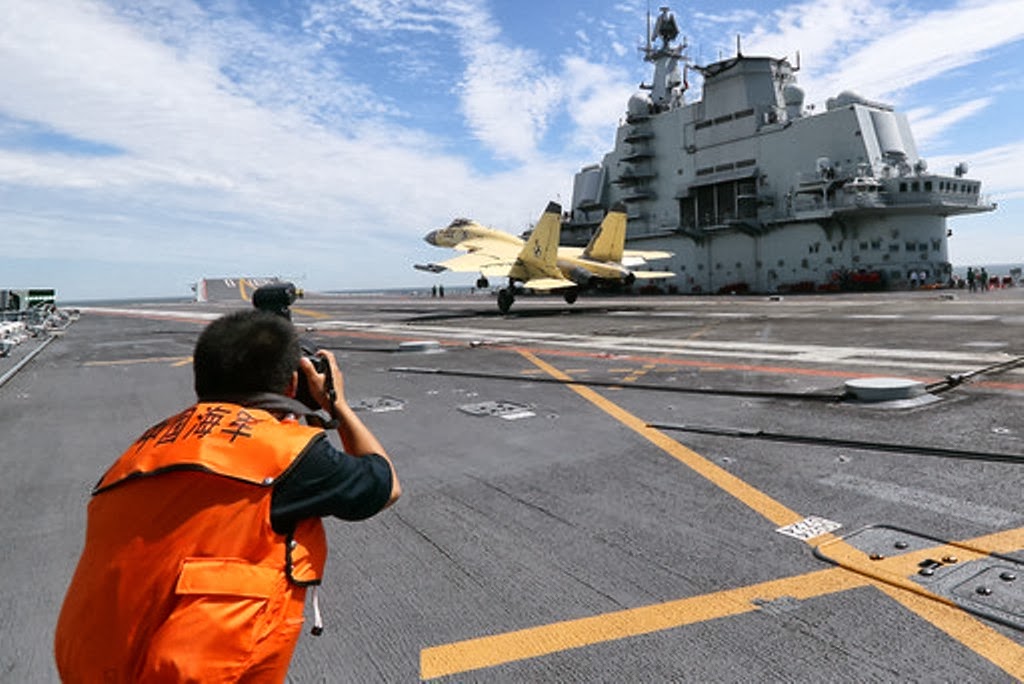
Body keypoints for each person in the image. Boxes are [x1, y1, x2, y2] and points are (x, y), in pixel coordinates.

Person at [54, 309, 400, 682]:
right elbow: (386, 486)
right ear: (291, 385)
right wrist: (334, 403)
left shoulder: (140, 449)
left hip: (87, 666)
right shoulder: (283, 454)